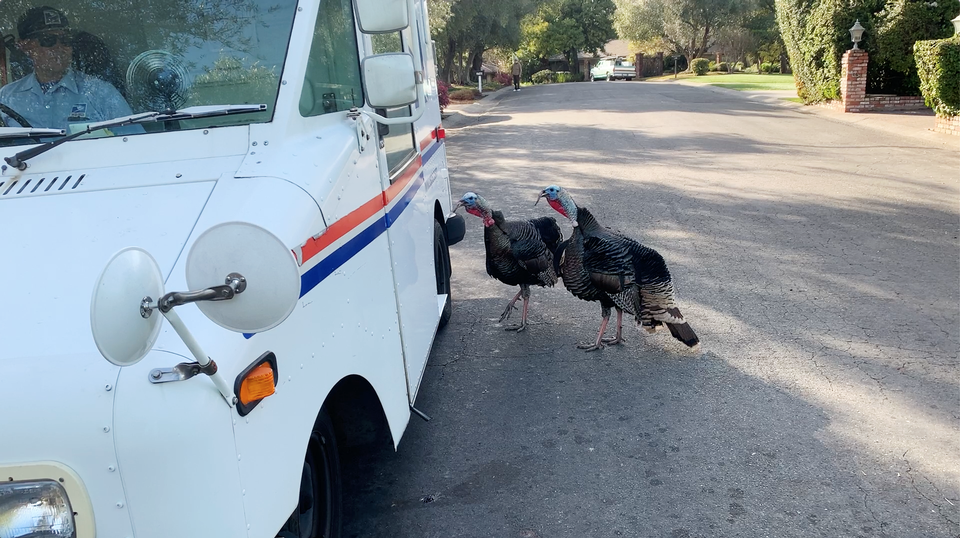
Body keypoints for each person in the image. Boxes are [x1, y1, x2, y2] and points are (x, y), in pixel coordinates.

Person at [0, 6, 134, 130]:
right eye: (48, 40)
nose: (59, 48)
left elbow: (132, 139)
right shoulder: (7, 97)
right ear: (26, 46)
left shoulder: (101, 93)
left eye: (65, 40)